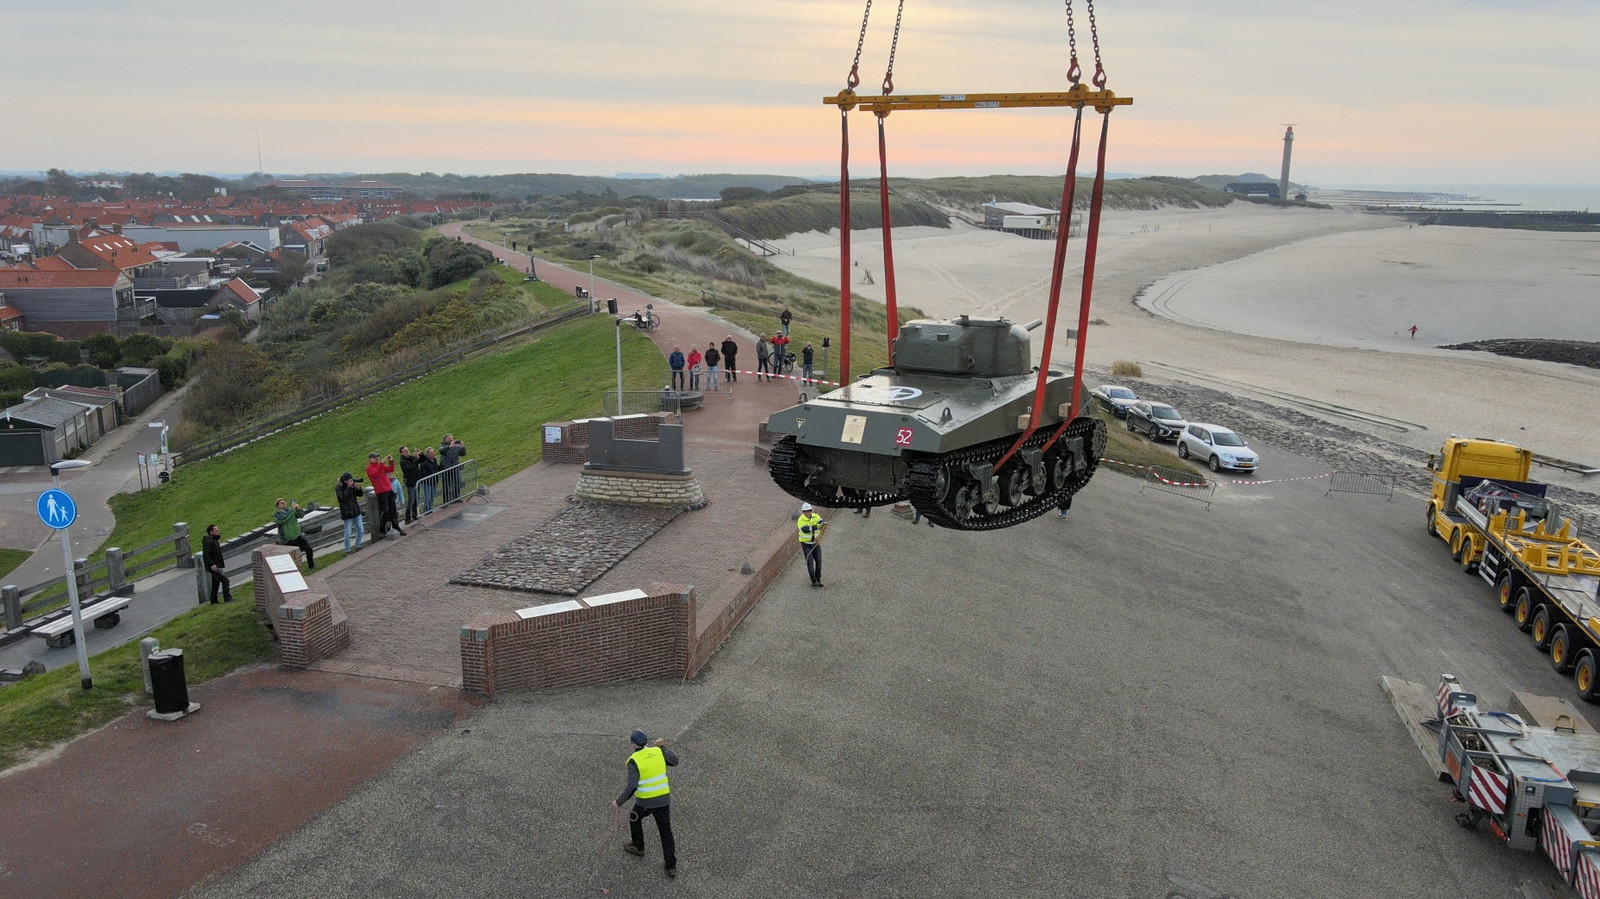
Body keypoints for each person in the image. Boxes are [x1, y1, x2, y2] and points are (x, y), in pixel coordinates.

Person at [615, 728, 679, 879]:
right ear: (646, 741)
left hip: (645, 803)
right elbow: (675, 761)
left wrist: (618, 802)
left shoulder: (633, 761)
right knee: (666, 833)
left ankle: (638, 846)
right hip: (663, 801)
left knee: (634, 818)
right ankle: (671, 866)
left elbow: (632, 786)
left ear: (634, 745)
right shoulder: (658, 752)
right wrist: (662, 746)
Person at [366, 452, 405, 537]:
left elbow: (390, 470)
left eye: (377, 457)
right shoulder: (369, 468)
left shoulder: (380, 465)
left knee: (393, 510)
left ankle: (396, 527)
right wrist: (382, 464)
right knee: (385, 511)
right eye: (375, 457)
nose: (377, 459)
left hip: (388, 489)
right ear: (371, 459)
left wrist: (391, 461)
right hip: (381, 491)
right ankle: (382, 529)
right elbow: (376, 474)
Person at [274, 498, 316, 570]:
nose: (284, 504)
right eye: (281, 503)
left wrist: (298, 509)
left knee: (308, 549)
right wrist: (293, 511)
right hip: (287, 539)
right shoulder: (277, 514)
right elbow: (284, 520)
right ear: (278, 506)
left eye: (284, 502)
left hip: (297, 535)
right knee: (290, 557)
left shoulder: (290, 510)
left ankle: (311, 566)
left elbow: (301, 515)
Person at [202, 524, 233, 603]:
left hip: (216, 565)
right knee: (225, 581)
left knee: (215, 583)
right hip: (214, 566)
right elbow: (206, 554)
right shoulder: (210, 541)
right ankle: (227, 598)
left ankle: (214, 600)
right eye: (216, 530)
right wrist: (212, 564)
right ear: (211, 532)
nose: (218, 532)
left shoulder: (212, 541)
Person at [336, 472, 365, 552]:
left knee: (361, 529)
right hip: (347, 514)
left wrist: (358, 488)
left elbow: (360, 494)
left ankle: (358, 545)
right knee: (348, 533)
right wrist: (348, 488)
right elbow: (343, 498)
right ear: (345, 481)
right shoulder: (339, 488)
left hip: (356, 511)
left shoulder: (352, 486)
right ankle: (347, 549)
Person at [797, 502, 824, 587]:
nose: (807, 513)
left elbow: (820, 521)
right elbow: (806, 529)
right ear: (803, 512)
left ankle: (818, 579)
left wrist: (823, 523)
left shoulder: (815, 516)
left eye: (809, 511)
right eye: (805, 511)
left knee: (819, 561)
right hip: (806, 544)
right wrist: (816, 526)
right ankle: (813, 580)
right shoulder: (801, 520)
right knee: (810, 562)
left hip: (815, 543)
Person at [440, 435, 468, 504]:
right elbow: (441, 451)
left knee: (458, 481)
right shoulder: (443, 446)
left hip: (455, 466)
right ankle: (446, 500)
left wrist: (462, 447)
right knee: (446, 484)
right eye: (449, 438)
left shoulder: (456, 446)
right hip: (446, 467)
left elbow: (463, 454)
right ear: (445, 439)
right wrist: (449, 447)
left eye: (452, 438)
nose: (451, 440)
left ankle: (457, 496)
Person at [399, 446, 422, 524]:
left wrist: (420, 454)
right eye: (405, 451)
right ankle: (407, 517)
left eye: (407, 450)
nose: (407, 451)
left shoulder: (410, 457)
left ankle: (415, 515)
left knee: (416, 498)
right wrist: (415, 459)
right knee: (411, 499)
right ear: (401, 453)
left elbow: (422, 460)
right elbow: (410, 468)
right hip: (411, 482)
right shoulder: (402, 461)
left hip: (416, 480)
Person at [419, 447, 441, 513]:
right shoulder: (424, 462)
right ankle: (427, 510)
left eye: (433, 452)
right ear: (427, 454)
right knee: (427, 497)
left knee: (432, 496)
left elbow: (437, 468)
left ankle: (430, 508)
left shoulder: (434, 460)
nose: (433, 454)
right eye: (431, 452)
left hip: (434, 482)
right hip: (427, 483)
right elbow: (423, 473)